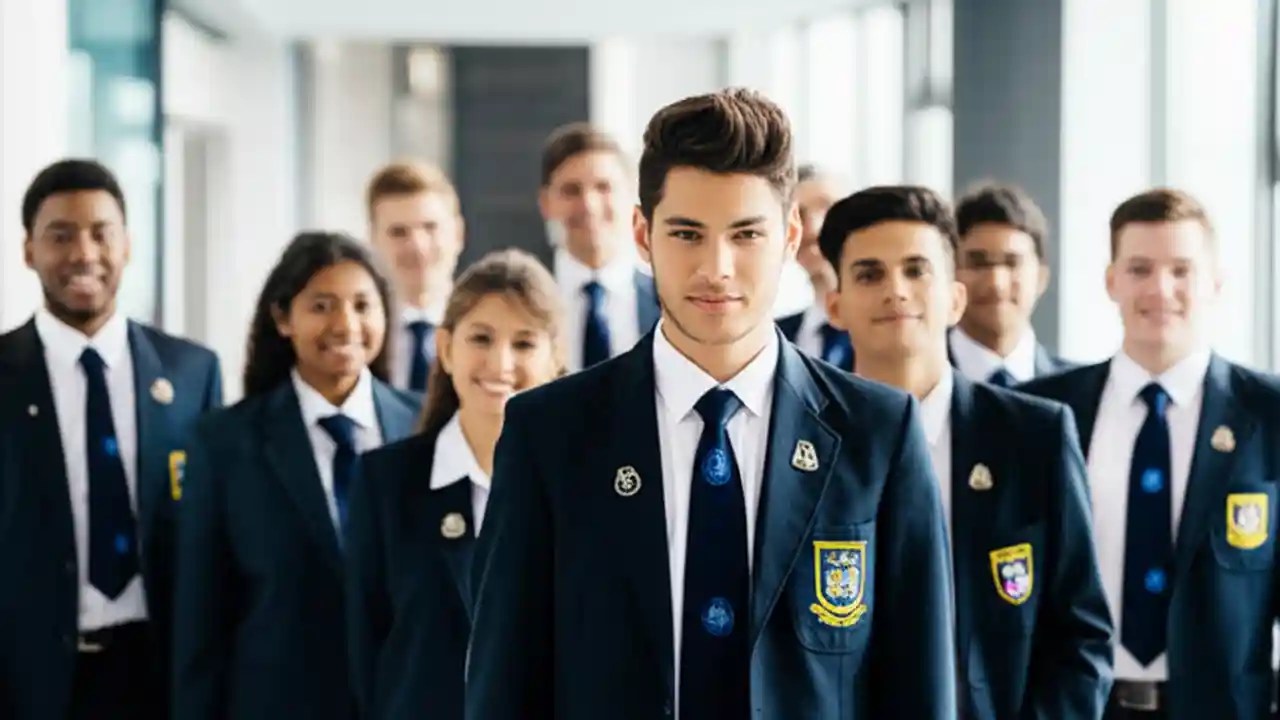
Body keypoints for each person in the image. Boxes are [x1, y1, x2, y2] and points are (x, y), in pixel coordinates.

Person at [466, 89, 955, 720]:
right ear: (643, 235)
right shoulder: (551, 432)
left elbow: (919, 685)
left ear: (790, 237)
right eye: (687, 234)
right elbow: (505, 681)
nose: (716, 268)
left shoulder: (878, 434)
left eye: (746, 234)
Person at [821, 185, 1113, 719]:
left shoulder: (1035, 436)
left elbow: (1081, 637)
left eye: (917, 270)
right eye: (869, 274)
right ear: (834, 305)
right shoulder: (805, 444)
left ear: (955, 298)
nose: (896, 291)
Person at [1020, 188, 1280, 719]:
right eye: (1139, 269)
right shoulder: (1042, 412)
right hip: (1079, 707)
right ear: (1111, 280)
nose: (1161, 289)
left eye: (1181, 270)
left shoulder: (1269, 415)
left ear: (1215, 283)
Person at [0, 159, 222, 720]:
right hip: (31, 681)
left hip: (159, 675)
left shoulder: (192, 374)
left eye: (102, 233)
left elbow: (215, 534)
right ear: (28, 251)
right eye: (60, 235)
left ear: (128, 245)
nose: (83, 253)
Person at [172, 232, 419, 720]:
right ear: (284, 318)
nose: (345, 324)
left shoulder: (424, 428)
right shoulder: (224, 443)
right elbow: (200, 624)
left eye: (362, 305)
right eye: (322, 306)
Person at [345, 249, 565, 719]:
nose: (500, 362)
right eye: (480, 338)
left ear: (555, 358)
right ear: (446, 348)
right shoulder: (385, 483)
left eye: (524, 343)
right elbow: (364, 654)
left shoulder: (582, 486)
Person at [539, 122, 660, 370]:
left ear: (631, 195)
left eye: (603, 187)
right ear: (545, 203)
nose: (589, 205)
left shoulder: (668, 302)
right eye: (571, 190)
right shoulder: (524, 302)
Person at [950, 182, 1073, 385]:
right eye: (977, 263)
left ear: (1041, 277)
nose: (996, 282)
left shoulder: (1081, 394)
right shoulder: (912, 384)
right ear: (950, 274)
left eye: (1012, 263)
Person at [366, 161, 466, 392]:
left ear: (458, 233)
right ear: (372, 240)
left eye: (430, 228)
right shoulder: (357, 338)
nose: (417, 247)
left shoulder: (489, 332)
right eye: (398, 232)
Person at [775, 164, 852, 371]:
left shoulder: (897, 325)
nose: (813, 227)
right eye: (799, 213)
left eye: (828, 208)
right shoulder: (774, 339)